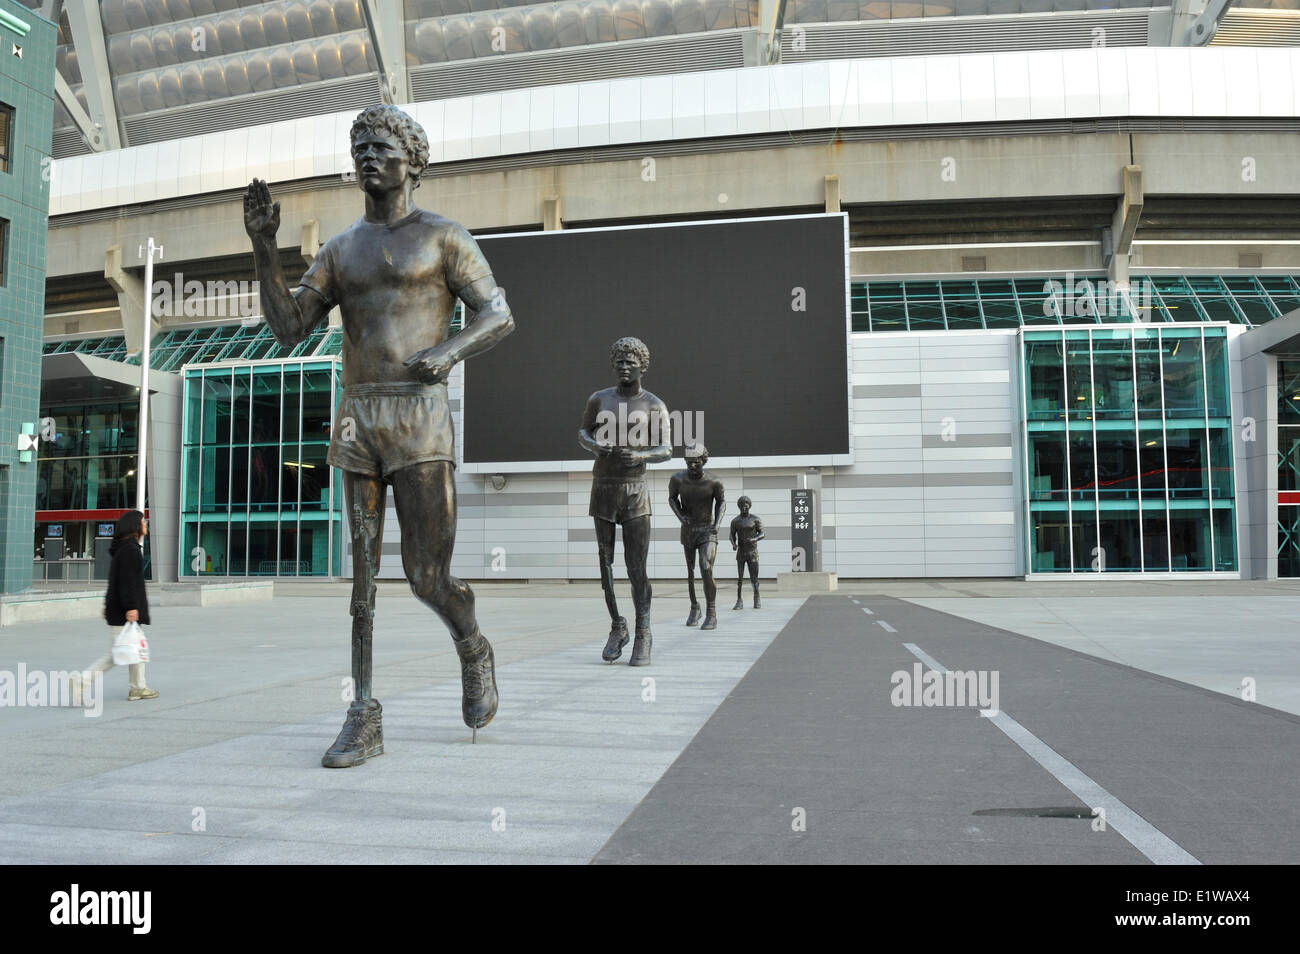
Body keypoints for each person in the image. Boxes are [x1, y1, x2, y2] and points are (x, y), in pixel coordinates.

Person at [245, 104, 515, 768]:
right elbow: (288, 327)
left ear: (413, 160)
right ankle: (363, 713)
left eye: (382, 146)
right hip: (358, 417)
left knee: (425, 576)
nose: (368, 155)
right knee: (362, 576)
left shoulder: (444, 237)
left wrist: (449, 353)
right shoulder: (341, 249)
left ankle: (471, 642)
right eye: (359, 145)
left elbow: (498, 314)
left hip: (420, 415)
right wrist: (263, 245)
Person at [579, 337, 672, 665]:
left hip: (635, 490)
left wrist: (639, 453)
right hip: (603, 487)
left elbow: (666, 449)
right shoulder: (599, 399)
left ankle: (643, 630)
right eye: (618, 362)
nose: (623, 367)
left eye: (630, 362)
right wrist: (593, 446)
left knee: (636, 567)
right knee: (605, 563)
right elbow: (583, 432)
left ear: (642, 366)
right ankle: (618, 625)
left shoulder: (654, 405)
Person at [71, 510, 158, 702]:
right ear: (135, 526)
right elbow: (127, 582)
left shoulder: (124, 549)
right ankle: (82, 681)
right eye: (144, 522)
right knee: (119, 653)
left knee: (134, 648)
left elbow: (114, 581)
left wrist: (108, 603)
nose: (146, 525)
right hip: (124, 610)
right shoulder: (130, 550)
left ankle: (138, 687)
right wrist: (132, 607)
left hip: (119, 608)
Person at [668, 443, 726, 630]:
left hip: (707, 530)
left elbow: (721, 502)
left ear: (704, 461)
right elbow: (671, 498)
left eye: (696, 463)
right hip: (688, 530)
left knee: (705, 566)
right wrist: (680, 516)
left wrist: (716, 525)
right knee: (690, 571)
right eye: (689, 462)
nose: (692, 466)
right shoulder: (677, 479)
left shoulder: (714, 482)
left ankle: (712, 612)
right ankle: (695, 607)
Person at [729, 495, 765, 609]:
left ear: (749, 506)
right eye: (742, 506)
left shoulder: (755, 519)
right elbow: (731, 535)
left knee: (754, 578)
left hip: (752, 552)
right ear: (739, 507)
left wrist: (754, 539)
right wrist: (734, 544)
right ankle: (739, 600)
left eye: (746, 506)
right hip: (741, 552)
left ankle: (757, 597)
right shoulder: (735, 521)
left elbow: (762, 533)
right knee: (740, 578)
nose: (744, 508)